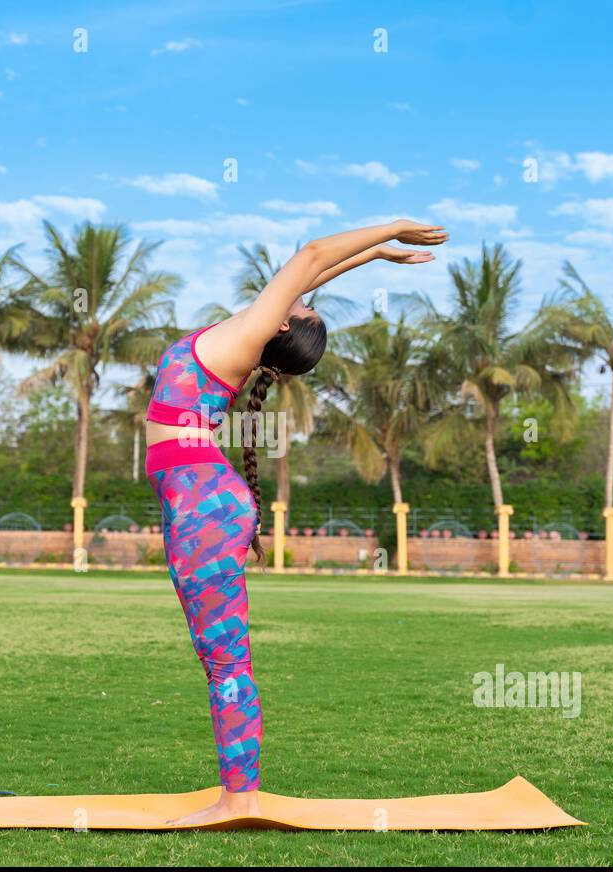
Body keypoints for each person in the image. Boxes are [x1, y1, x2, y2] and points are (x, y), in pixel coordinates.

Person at [144, 219, 448, 826]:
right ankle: (237, 792)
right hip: (205, 505)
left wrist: (392, 228)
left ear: (281, 322)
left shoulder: (250, 333)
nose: (297, 294)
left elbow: (309, 256)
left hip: (204, 505)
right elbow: (315, 269)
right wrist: (376, 256)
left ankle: (240, 799)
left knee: (227, 662)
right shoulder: (244, 335)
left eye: (295, 304)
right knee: (218, 660)